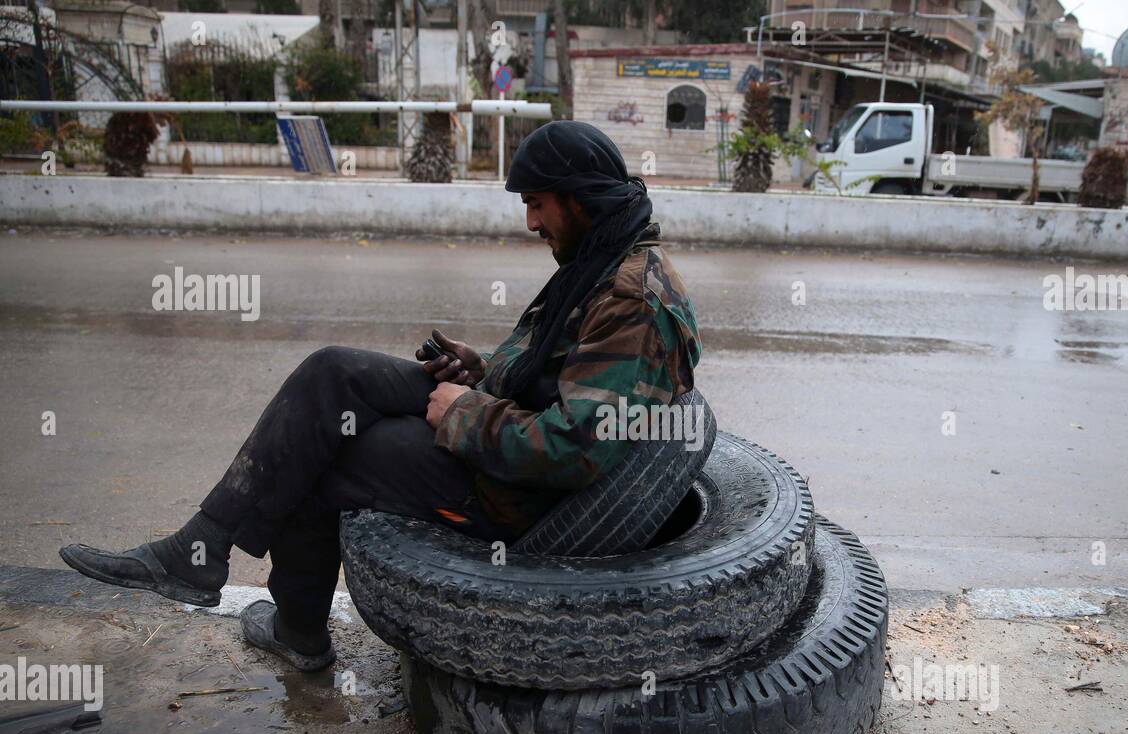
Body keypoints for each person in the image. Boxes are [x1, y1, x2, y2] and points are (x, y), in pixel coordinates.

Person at [60, 121, 702, 672]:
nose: (530, 221)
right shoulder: (605, 260)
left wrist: (463, 411)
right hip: (502, 421)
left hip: (519, 492)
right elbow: (559, 372)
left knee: (330, 457)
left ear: (581, 199)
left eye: (537, 203)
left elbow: (575, 449)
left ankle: (296, 631)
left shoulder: (629, 297)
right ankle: (199, 549)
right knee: (333, 373)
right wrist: (478, 370)